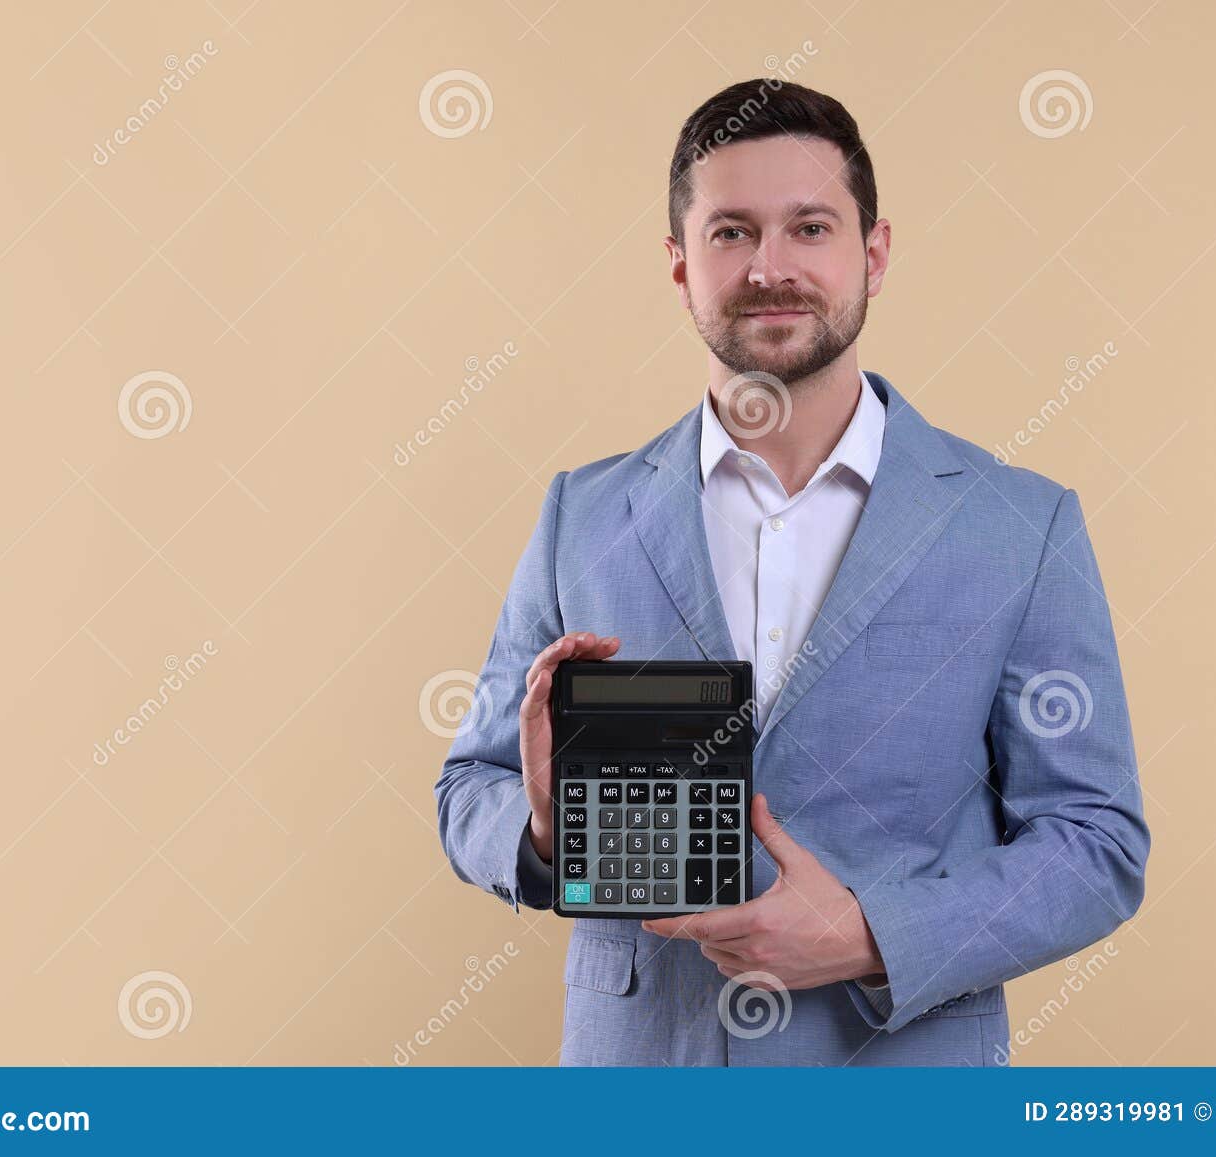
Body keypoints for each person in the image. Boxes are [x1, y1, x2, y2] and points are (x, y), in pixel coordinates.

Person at [434, 78, 1148, 1066]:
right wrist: (545, 830)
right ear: (680, 268)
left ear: (874, 254)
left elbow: (1094, 842)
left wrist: (867, 935)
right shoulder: (581, 515)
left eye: (808, 227)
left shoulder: (1019, 524)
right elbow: (470, 783)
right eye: (730, 232)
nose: (769, 266)